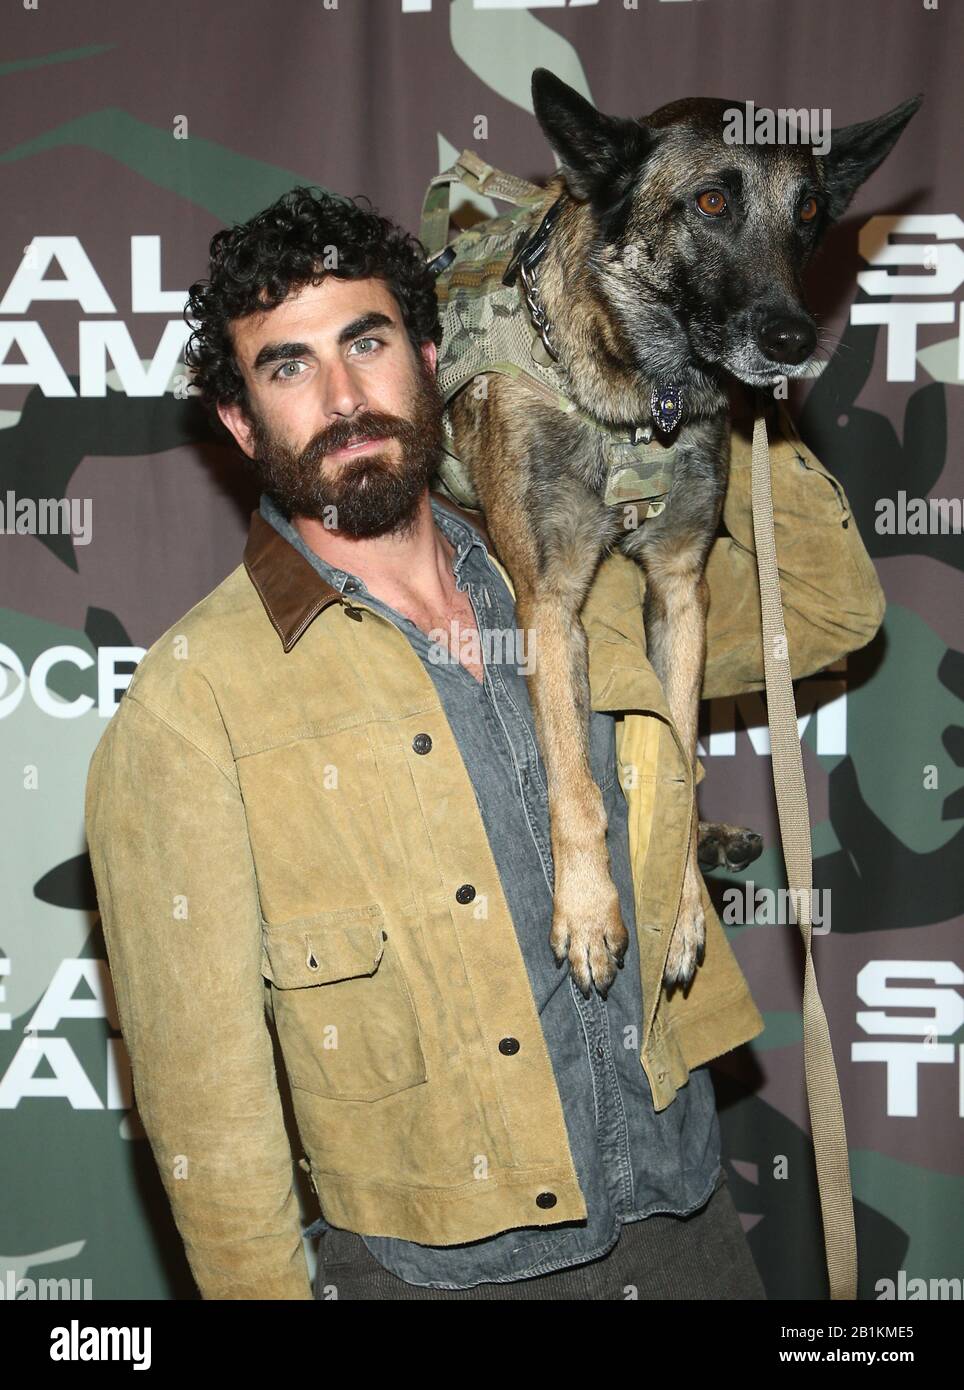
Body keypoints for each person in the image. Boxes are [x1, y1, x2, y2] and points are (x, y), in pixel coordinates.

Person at [84, 184, 885, 1301]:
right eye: (287, 366)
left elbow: (833, 611)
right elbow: (206, 1115)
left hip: (689, 1229)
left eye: (367, 343)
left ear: (427, 356)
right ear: (238, 422)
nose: (344, 396)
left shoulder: (586, 581)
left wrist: (715, 367)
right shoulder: (192, 706)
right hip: (444, 1277)